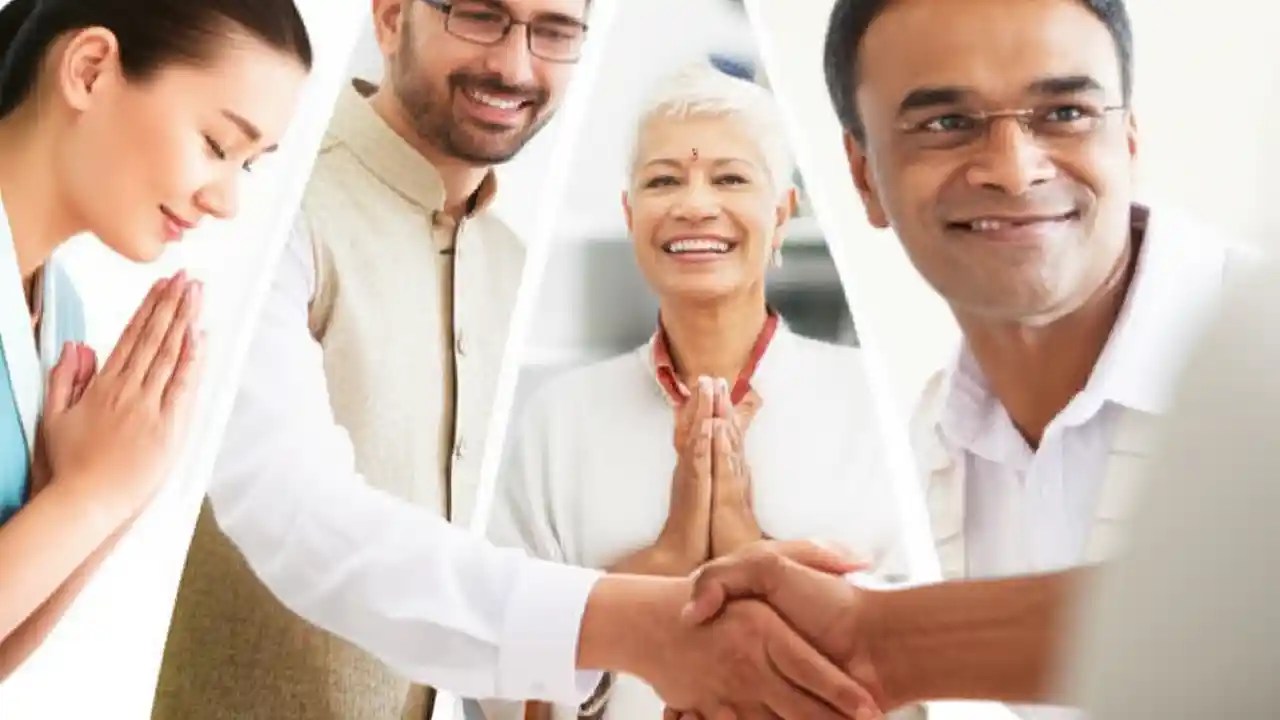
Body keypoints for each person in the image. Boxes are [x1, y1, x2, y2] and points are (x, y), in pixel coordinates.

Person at [157, 2, 874, 720]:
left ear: (783, 213)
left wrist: (717, 559)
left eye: (553, 30)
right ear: (391, 16)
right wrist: (662, 595)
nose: (514, 65)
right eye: (479, 15)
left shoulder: (506, 268)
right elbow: (297, 514)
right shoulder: (266, 214)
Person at [821, 0, 1245, 715]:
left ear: (1129, 140)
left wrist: (885, 638)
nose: (1014, 172)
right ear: (864, 175)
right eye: (946, 124)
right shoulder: (900, 464)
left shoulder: (1257, 352)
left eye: (1066, 113)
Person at [484, 62, 908, 720]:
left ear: (782, 214)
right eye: (664, 180)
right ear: (631, 216)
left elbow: (925, 661)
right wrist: (664, 561)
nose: (695, 205)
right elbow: (502, 670)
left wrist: (744, 545)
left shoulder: (878, 404)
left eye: (730, 178)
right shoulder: (557, 422)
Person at [0, 0, 311, 679]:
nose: (226, 201)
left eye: (248, 166)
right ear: (89, 70)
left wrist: (115, 494)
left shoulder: (62, 323)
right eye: (217, 146)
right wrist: (90, 497)